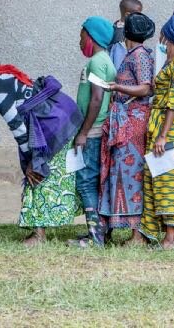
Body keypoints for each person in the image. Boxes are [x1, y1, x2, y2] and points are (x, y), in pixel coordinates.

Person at [0, 52, 79, 246]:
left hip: (51, 124)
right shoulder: (6, 73)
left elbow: (17, 126)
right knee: (51, 174)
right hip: (63, 115)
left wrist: (30, 159)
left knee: (36, 173)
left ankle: (38, 235)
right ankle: (44, 228)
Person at [100, 12, 155, 245]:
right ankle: (125, 226)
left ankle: (137, 234)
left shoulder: (140, 55)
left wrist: (116, 87)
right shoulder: (132, 54)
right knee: (123, 172)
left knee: (132, 175)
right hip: (126, 120)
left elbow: (145, 88)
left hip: (134, 122)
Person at [140, 14, 174, 248]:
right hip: (161, 122)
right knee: (159, 176)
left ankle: (171, 237)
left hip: (171, 127)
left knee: (169, 179)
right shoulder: (170, 60)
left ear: (167, 35)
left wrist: (163, 135)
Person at [72, 16, 117, 247]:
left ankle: (95, 236)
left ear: (91, 36)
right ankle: (97, 232)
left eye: (81, 36)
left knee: (86, 182)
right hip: (92, 130)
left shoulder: (98, 61)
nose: (79, 41)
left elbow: (97, 98)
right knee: (92, 181)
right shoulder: (99, 60)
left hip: (93, 132)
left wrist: (83, 132)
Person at [109, 0, 143, 69]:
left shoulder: (116, 26)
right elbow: (118, 62)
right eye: (138, 15)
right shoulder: (123, 35)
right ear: (127, 15)